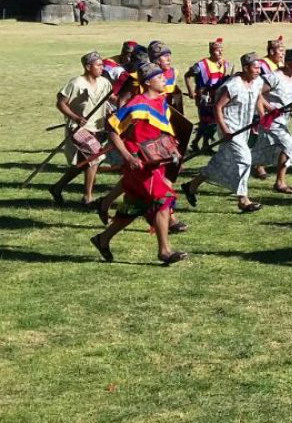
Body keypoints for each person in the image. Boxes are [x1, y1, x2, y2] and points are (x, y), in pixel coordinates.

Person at [89, 62, 188, 266]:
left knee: (135, 206)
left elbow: (163, 133)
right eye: (160, 77)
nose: (164, 80)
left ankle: (103, 239)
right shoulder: (137, 104)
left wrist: (174, 151)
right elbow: (112, 129)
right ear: (148, 81)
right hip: (139, 165)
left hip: (156, 162)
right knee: (162, 200)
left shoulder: (161, 102)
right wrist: (128, 157)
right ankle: (164, 251)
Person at [182, 53, 266, 213]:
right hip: (230, 127)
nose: (258, 71)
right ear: (246, 68)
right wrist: (225, 130)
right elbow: (217, 107)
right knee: (245, 159)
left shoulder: (258, 82)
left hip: (244, 127)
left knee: (222, 160)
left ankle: (191, 186)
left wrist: (263, 115)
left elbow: (258, 97)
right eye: (255, 68)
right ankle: (243, 199)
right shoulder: (233, 85)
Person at [48, 51, 113, 209]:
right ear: (88, 66)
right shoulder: (76, 83)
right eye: (98, 65)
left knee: (84, 163)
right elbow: (61, 103)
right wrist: (75, 117)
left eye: (102, 65)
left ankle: (57, 187)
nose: (102, 67)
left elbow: (110, 99)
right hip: (78, 128)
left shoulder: (104, 82)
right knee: (94, 157)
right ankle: (87, 197)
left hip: (98, 126)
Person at [251, 47, 292, 194]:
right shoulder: (274, 77)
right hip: (271, 121)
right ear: (287, 64)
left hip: (284, 120)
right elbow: (256, 93)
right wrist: (267, 110)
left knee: (264, 152)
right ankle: (280, 183)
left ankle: (237, 164)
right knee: (290, 146)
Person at [184, 38, 231, 152]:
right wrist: (191, 91)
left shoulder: (224, 64)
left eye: (221, 50)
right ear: (211, 51)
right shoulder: (201, 65)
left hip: (218, 97)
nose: (220, 53)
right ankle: (203, 145)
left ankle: (199, 144)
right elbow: (187, 75)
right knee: (207, 122)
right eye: (217, 50)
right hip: (204, 98)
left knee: (212, 122)